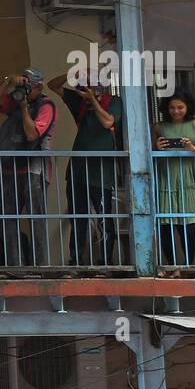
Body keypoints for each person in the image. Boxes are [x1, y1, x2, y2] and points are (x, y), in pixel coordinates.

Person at [49, 73, 124, 267]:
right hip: (78, 170)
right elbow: (53, 85)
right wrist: (70, 74)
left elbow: (108, 122)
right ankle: (76, 261)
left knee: (104, 218)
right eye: (87, 84)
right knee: (78, 217)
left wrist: (94, 101)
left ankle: (106, 261)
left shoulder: (113, 101)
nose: (90, 87)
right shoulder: (79, 101)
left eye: (94, 84)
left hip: (100, 170)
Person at [0, 69, 56, 274]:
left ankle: (40, 268)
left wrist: (24, 108)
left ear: (39, 87)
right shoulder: (16, 98)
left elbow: (31, 134)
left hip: (34, 169)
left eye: (28, 88)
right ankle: (14, 267)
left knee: (37, 219)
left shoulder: (46, 106)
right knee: (8, 220)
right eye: (23, 87)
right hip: (11, 168)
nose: (25, 92)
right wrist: (8, 80)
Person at [153, 91, 195, 271]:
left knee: (188, 225)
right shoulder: (158, 126)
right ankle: (171, 266)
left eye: (180, 107)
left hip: (188, 177)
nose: (176, 111)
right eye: (172, 107)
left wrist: (192, 148)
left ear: (187, 107)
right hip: (166, 177)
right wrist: (156, 146)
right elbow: (148, 147)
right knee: (165, 226)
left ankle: (185, 266)